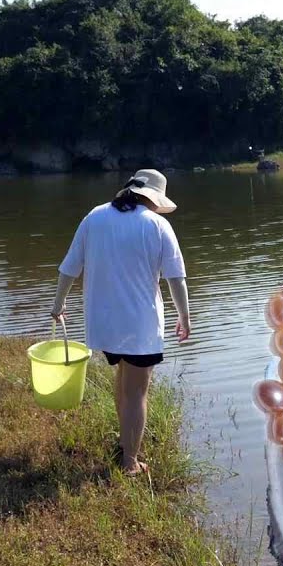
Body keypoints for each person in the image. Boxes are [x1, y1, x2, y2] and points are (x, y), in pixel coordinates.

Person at [51, 169, 191, 476]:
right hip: (140, 324)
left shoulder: (95, 217)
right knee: (137, 392)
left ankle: (125, 441)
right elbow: (175, 278)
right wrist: (184, 315)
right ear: (153, 198)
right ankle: (130, 463)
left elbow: (70, 265)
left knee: (124, 379)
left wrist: (58, 303)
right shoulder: (157, 224)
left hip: (103, 323)